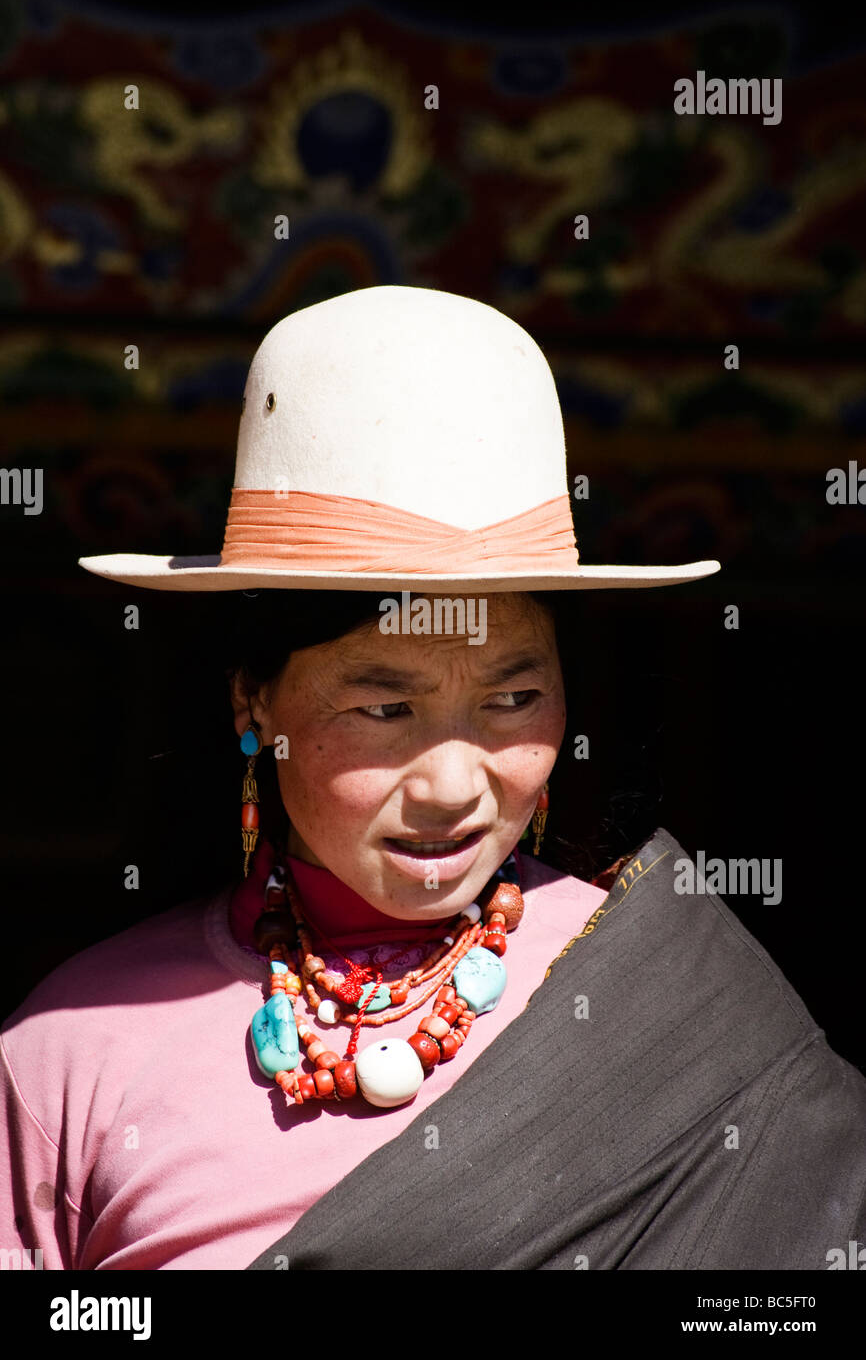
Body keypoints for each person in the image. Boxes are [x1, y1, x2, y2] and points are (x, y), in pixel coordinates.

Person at [1, 285, 864, 1272]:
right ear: (255, 705)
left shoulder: (688, 1023)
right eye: (384, 709)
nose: (455, 784)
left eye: (511, 699)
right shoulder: (72, 1056)